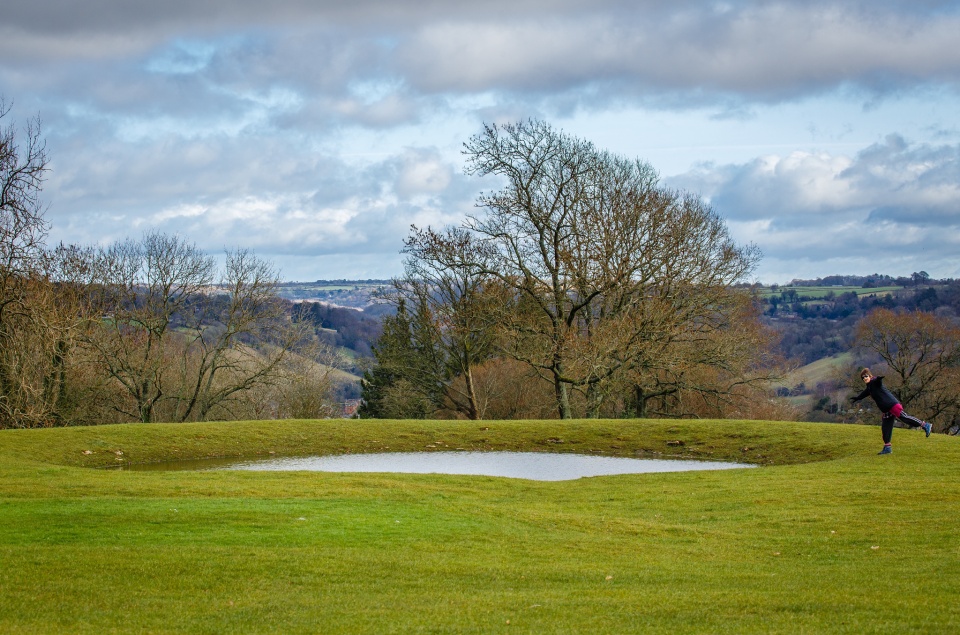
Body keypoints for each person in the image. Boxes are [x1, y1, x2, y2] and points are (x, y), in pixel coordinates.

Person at [850, 368, 932, 454]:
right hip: (887, 410)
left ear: (870, 375)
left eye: (866, 376)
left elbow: (878, 382)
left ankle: (925, 425)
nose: (864, 378)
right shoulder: (870, 387)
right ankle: (887, 447)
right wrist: (857, 398)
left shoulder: (874, 382)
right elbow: (865, 393)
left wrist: (878, 379)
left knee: (904, 417)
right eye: (862, 378)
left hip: (892, 405)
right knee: (886, 428)